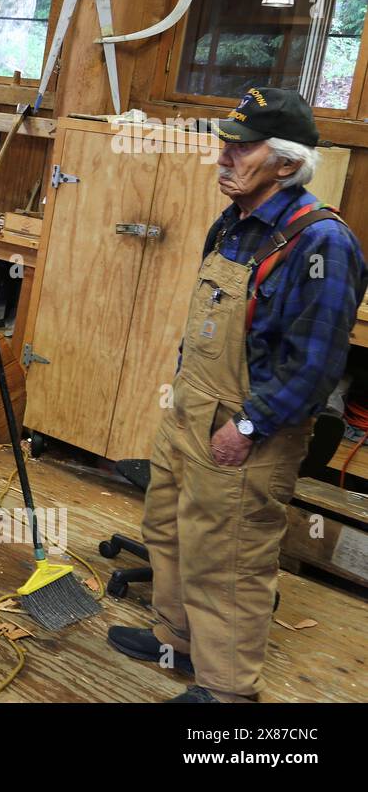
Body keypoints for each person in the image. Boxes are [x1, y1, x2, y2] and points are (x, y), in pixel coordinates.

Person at [108, 87, 368, 702]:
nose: (225, 157)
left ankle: (225, 694)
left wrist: (248, 427)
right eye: (225, 143)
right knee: (170, 528)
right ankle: (178, 641)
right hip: (192, 408)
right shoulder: (236, 220)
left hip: (248, 429)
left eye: (242, 147)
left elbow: (317, 364)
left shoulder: (321, 244)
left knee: (227, 560)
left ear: (286, 162)